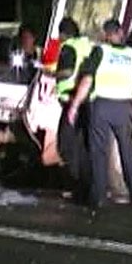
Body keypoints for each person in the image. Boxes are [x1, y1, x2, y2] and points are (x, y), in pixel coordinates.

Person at [67, 18, 132, 208]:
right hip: (123, 108)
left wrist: (75, 105)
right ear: (119, 33)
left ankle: (99, 197)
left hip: (102, 106)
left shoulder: (100, 51)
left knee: (99, 153)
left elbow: (87, 80)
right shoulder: (130, 54)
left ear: (105, 35)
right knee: (127, 150)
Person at [54, 17, 93, 202]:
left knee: (66, 145)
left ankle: (74, 186)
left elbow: (66, 73)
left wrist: (54, 73)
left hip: (71, 99)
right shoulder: (88, 46)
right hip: (88, 101)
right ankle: (84, 186)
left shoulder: (68, 47)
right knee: (82, 146)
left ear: (63, 33)